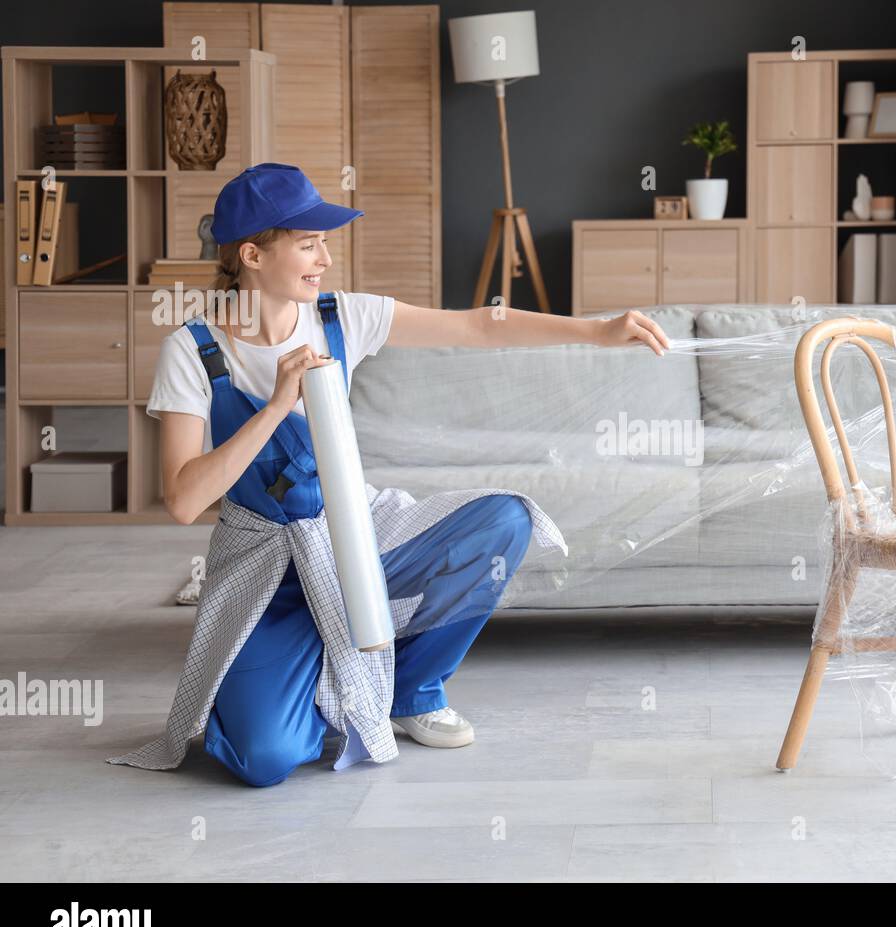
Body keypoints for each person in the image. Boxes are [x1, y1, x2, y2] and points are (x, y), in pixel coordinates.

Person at [106, 162, 669, 787]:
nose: (323, 258)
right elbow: (184, 500)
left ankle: (414, 692)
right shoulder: (193, 350)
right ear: (252, 255)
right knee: (262, 760)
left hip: (352, 531)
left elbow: (478, 323)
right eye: (308, 243)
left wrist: (596, 330)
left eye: (324, 242)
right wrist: (275, 406)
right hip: (265, 564)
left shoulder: (342, 316)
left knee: (504, 521)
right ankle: (323, 677)